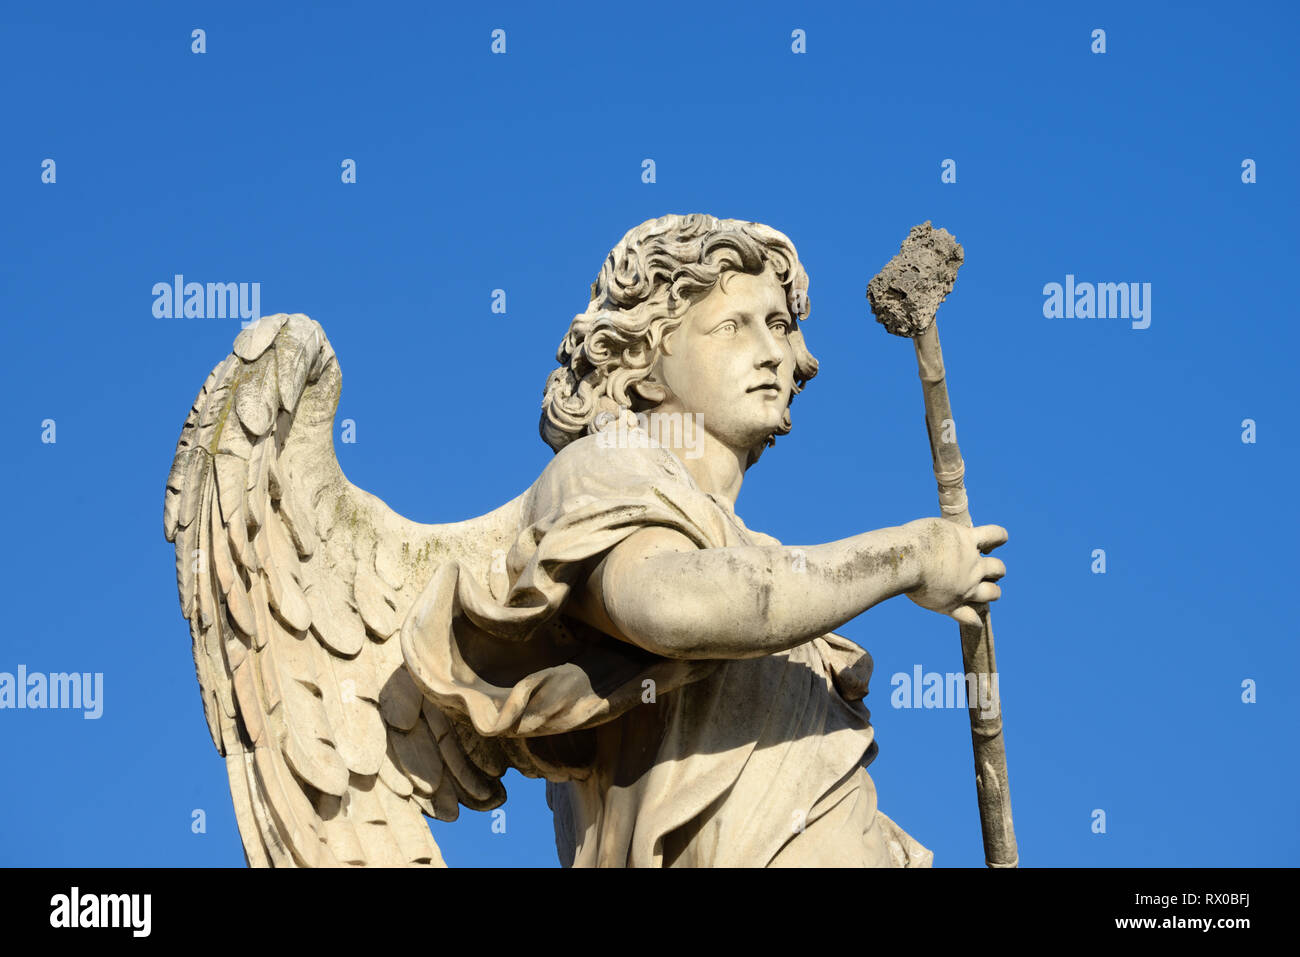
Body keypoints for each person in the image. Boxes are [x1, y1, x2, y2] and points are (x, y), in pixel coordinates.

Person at [401, 213, 1007, 866]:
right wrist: (907, 556)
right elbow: (668, 604)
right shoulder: (604, 469)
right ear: (643, 360)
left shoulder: (761, 559)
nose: (775, 351)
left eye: (780, 324)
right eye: (733, 325)